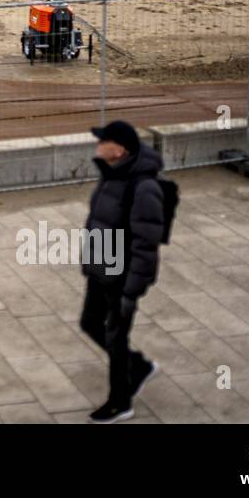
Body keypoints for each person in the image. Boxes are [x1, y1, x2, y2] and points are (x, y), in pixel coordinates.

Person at [80, 119, 165, 423]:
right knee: (90, 322)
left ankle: (121, 402)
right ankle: (139, 366)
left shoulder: (144, 188)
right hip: (101, 267)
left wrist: (132, 289)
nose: (98, 145)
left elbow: (146, 244)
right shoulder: (112, 174)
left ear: (119, 150)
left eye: (103, 141)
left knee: (116, 339)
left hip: (122, 277)